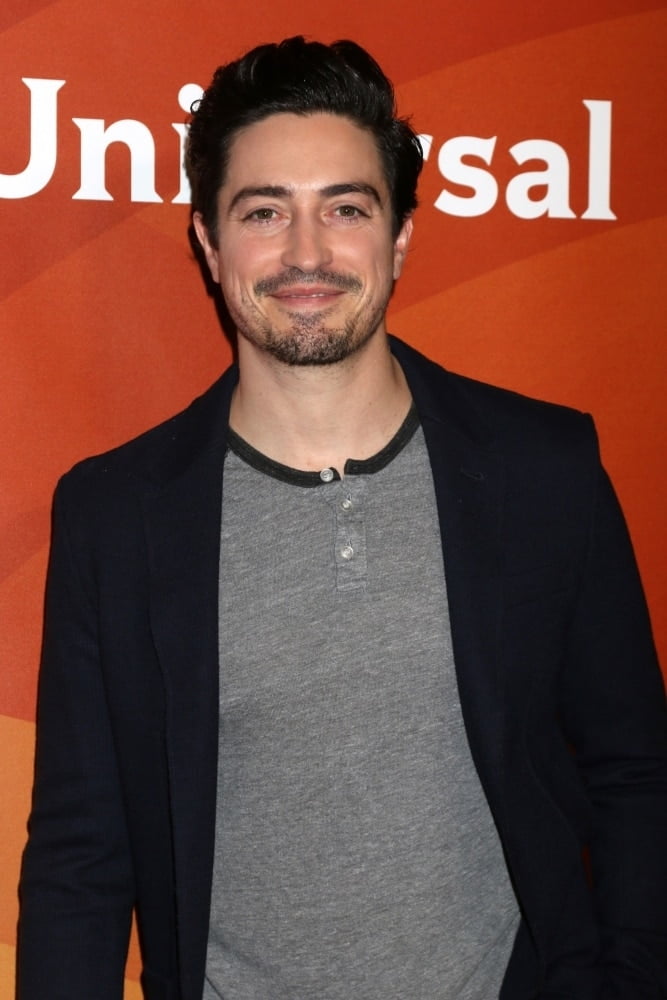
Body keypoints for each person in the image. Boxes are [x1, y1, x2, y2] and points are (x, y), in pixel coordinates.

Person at [17, 36, 667, 1000]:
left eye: (346, 209)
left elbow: (633, 774)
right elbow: (80, 853)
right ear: (208, 241)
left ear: (399, 236)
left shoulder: (545, 469)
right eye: (264, 211)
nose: (307, 254)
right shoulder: (116, 515)